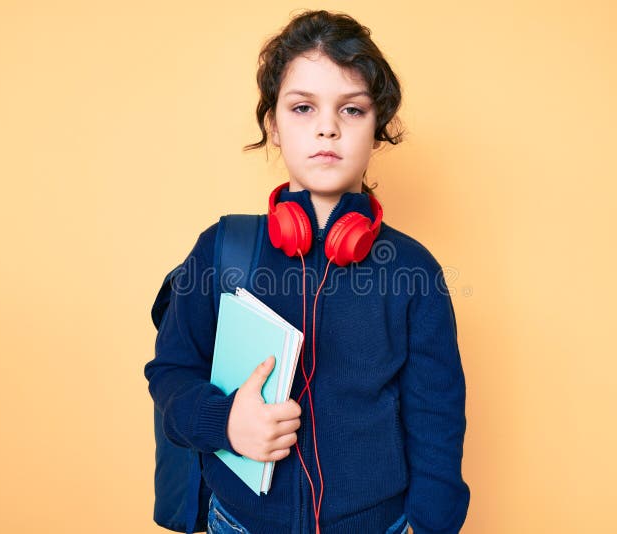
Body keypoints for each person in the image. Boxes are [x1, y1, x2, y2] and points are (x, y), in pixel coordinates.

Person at [144, 9, 470, 534]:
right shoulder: (219, 252)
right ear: (273, 125)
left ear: (377, 127)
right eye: (302, 107)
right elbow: (170, 374)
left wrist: (431, 526)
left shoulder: (414, 272)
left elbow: (437, 421)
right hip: (239, 522)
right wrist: (224, 422)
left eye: (352, 110)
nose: (327, 126)